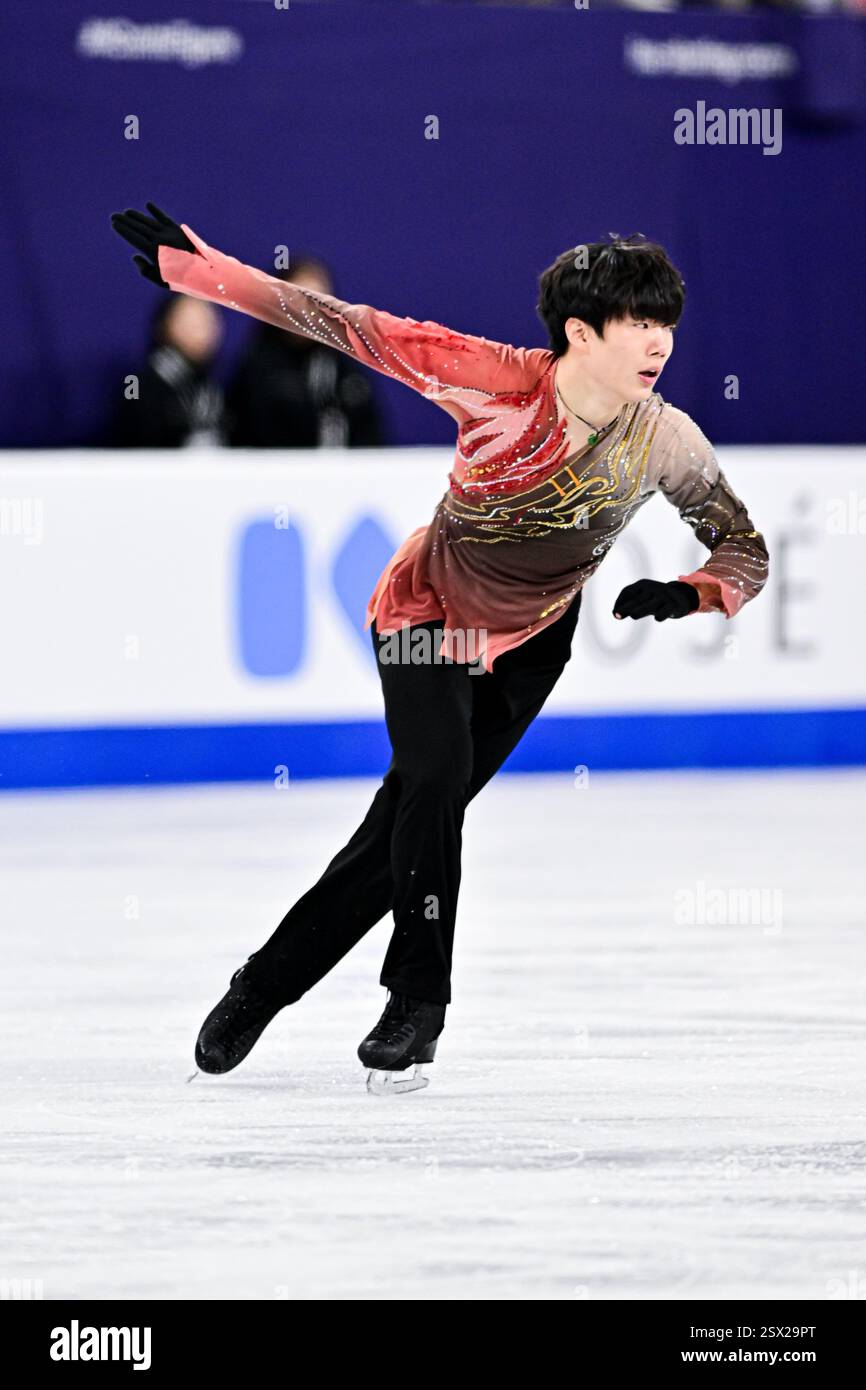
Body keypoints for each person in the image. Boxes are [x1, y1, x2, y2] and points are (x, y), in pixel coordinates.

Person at [110, 203, 770, 1093]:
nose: (660, 345)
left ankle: (261, 985)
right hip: (427, 615)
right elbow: (344, 326)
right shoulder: (488, 379)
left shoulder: (665, 439)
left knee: (399, 834)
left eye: (667, 327)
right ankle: (417, 1003)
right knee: (430, 786)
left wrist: (691, 591)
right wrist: (201, 273)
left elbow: (743, 545)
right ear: (581, 331)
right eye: (639, 325)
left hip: (533, 644)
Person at [224, 254, 385, 448]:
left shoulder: (348, 372)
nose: (310, 313)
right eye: (301, 300)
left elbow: (372, 440)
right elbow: (240, 438)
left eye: (320, 301)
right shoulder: (257, 368)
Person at [107, 292, 226, 448]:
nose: (202, 334)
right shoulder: (135, 382)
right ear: (165, 324)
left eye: (208, 323)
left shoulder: (210, 387)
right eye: (192, 323)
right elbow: (133, 432)